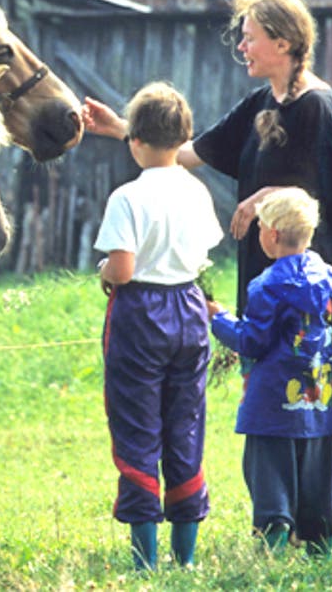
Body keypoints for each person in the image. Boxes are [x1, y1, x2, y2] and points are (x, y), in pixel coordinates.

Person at [80, 0, 332, 546]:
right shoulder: (261, 105)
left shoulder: (317, 104)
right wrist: (125, 132)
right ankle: (284, 520)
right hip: (263, 277)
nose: (243, 48)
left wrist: (267, 196)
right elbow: (190, 154)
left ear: (283, 41)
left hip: (306, 290)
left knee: (318, 400)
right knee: (272, 399)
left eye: (251, 38)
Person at [93, 81, 223, 571]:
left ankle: (145, 558)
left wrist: (104, 271)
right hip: (189, 308)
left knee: (137, 427)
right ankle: (185, 557)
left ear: (135, 141)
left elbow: (122, 269)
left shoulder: (127, 196)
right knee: (184, 424)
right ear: (183, 136)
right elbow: (202, 252)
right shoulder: (197, 190)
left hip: (140, 313)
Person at [207, 187, 332, 558]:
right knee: (317, 480)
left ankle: (272, 547)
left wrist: (218, 319)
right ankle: (322, 550)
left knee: (268, 476)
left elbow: (252, 342)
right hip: (320, 404)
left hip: (272, 407)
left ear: (271, 234)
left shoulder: (266, 286)